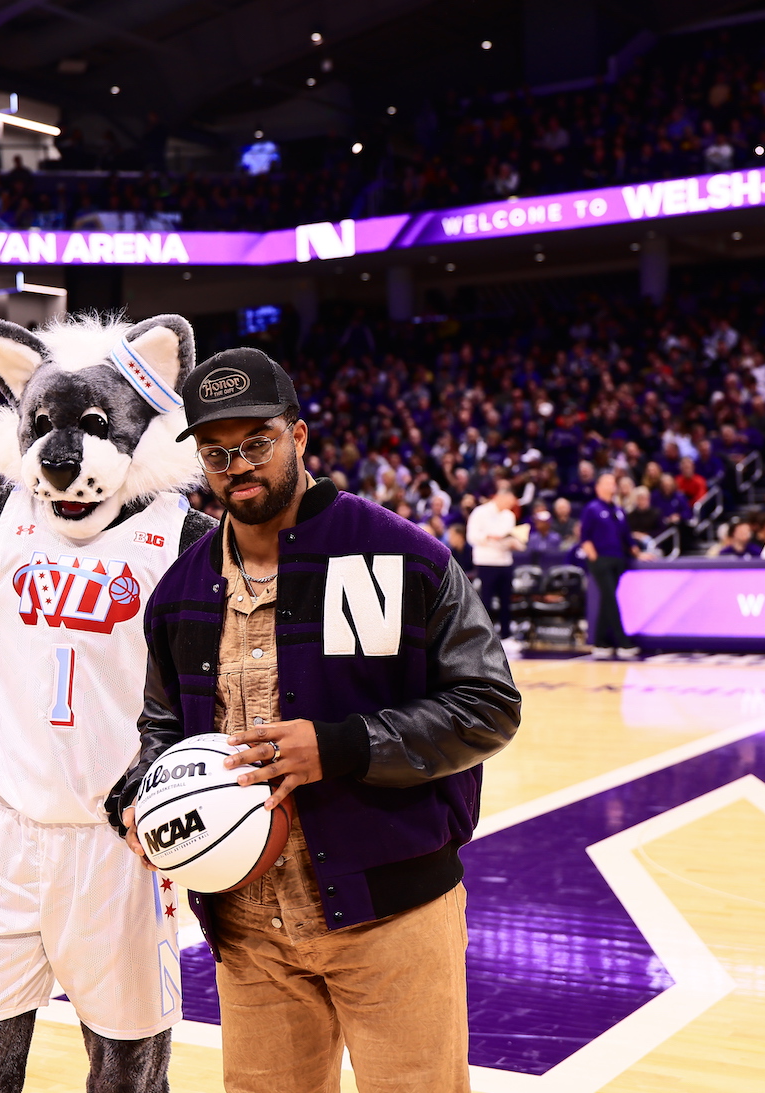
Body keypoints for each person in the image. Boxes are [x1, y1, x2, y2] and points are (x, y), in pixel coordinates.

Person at [118, 347, 521, 1093]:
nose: (237, 465)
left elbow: (489, 705)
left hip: (392, 913)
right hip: (246, 925)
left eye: (257, 443)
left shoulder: (402, 556)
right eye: (216, 452)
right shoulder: (180, 591)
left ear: (298, 436)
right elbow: (161, 727)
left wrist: (342, 746)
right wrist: (140, 800)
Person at [578, 471, 639, 659]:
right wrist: (593, 555)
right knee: (611, 599)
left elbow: (626, 535)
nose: (613, 485)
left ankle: (600, 642)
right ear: (598, 487)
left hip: (618, 559)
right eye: (608, 482)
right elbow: (584, 535)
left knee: (607, 599)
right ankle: (623, 643)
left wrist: (638, 551)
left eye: (614, 482)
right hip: (601, 559)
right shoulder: (592, 508)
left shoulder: (618, 510)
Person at [467, 481, 523, 644]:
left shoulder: (509, 516)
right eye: (510, 501)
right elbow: (472, 537)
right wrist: (490, 537)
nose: (511, 505)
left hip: (505, 561)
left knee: (506, 600)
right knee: (486, 601)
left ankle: (506, 636)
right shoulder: (480, 512)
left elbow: (509, 537)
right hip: (486, 561)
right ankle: (485, 638)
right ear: (501, 497)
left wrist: (510, 542)